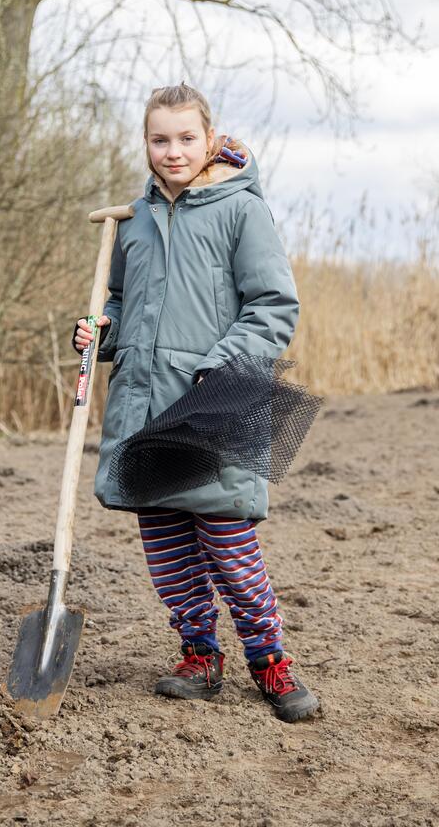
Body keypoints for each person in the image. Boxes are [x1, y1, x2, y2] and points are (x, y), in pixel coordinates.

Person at [73, 83, 319, 723]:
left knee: (228, 542)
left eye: (186, 138)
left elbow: (273, 306)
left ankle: (269, 659)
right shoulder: (134, 220)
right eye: (160, 139)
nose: (173, 151)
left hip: (216, 401)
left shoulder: (242, 210)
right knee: (166, 547)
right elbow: (121, 303)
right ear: (145, 143)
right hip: (145, 404)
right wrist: (101, 332)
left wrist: (222, 365)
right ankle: (199, 655)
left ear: (210, 139)